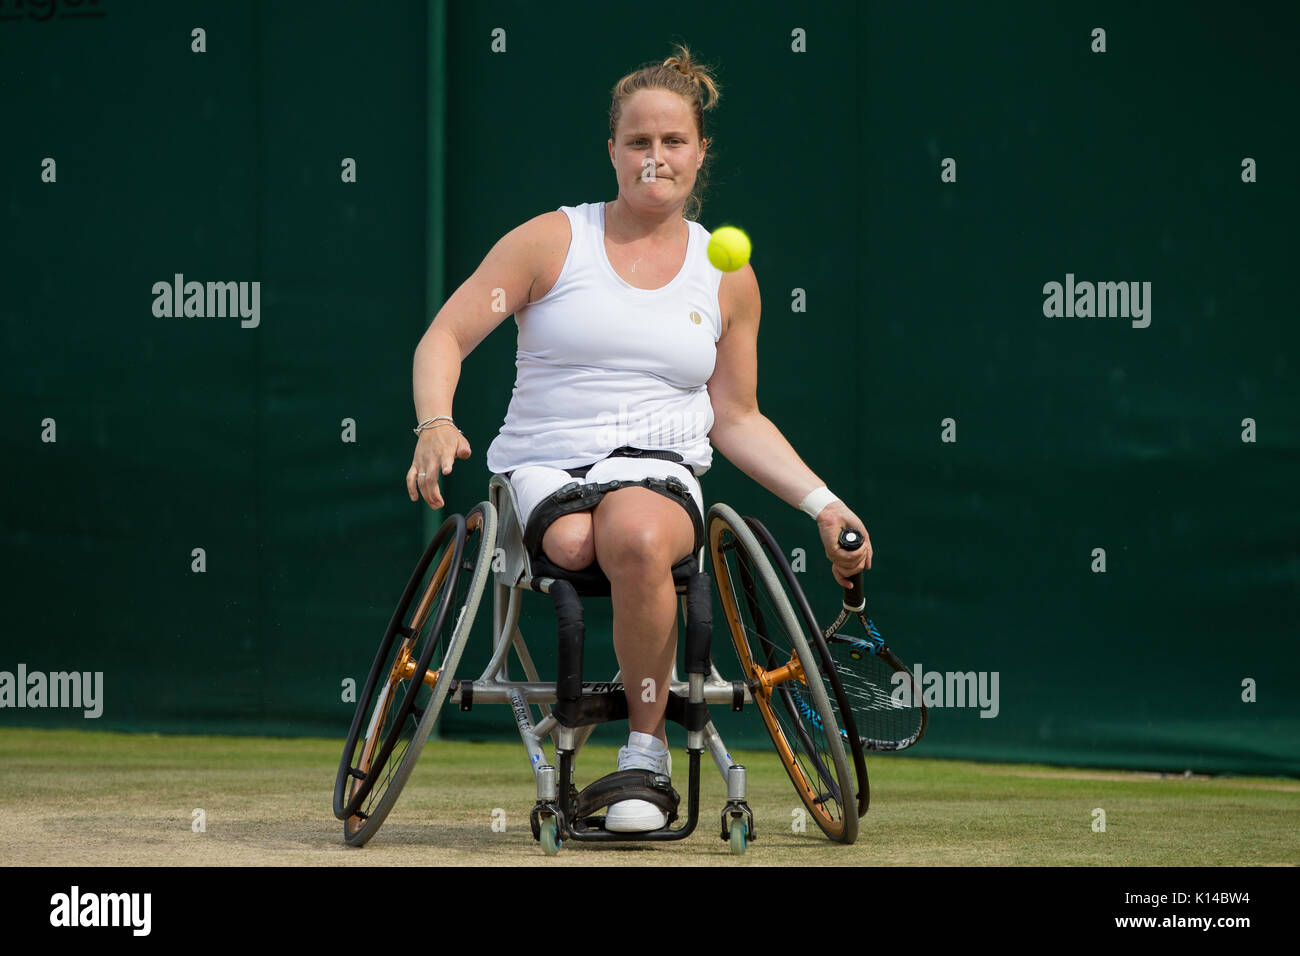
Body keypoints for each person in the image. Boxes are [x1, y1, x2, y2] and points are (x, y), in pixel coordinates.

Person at [406, 45, 872, 832]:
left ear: (700, 154)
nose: (656, 158)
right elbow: (445, 337)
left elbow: (737, 418)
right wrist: (435, 421)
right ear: (613, 151)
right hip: (545, 465)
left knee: (631, 531)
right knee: (581, 540)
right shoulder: (550, 242)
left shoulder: (728, 275)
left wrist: (823, 505)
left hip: (659, 470)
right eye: (638, 142)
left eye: (673, 143)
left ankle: (643, 761)